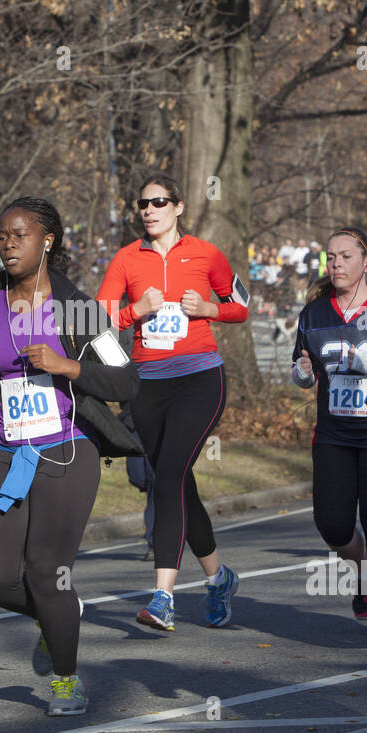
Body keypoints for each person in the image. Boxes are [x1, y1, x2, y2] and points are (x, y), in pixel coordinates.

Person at [0, 197, 140, 715]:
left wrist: (68, 366)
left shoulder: (78, 307)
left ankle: (65, 680)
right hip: (5, 447)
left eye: (20, 236)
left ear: (47, 241)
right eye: (2, 237)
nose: (8, 245)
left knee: (45, 570)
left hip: (66, 449)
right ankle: (60, 615)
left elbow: (127, 379)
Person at [97, 172, 249, 630]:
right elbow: (99, 322)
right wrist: (134, 312)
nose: (149, 210)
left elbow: (241, 306)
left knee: (168, 481)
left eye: (159, 202)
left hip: (200, 380)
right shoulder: (125, 259)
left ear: (178, 207)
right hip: (147, 386)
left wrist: (208, 309)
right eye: (142, 203)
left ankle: (162, 597)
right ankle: (219, 578)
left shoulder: (206, 254)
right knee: (178, 484)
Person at [292, 227, 367, 634]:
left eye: (345, 256)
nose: (336, 264)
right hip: (334, 436)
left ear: (366, 263)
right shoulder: (314, 313)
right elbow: (301, 373)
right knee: (333, 524)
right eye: (330, 257)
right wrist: (303, 373)